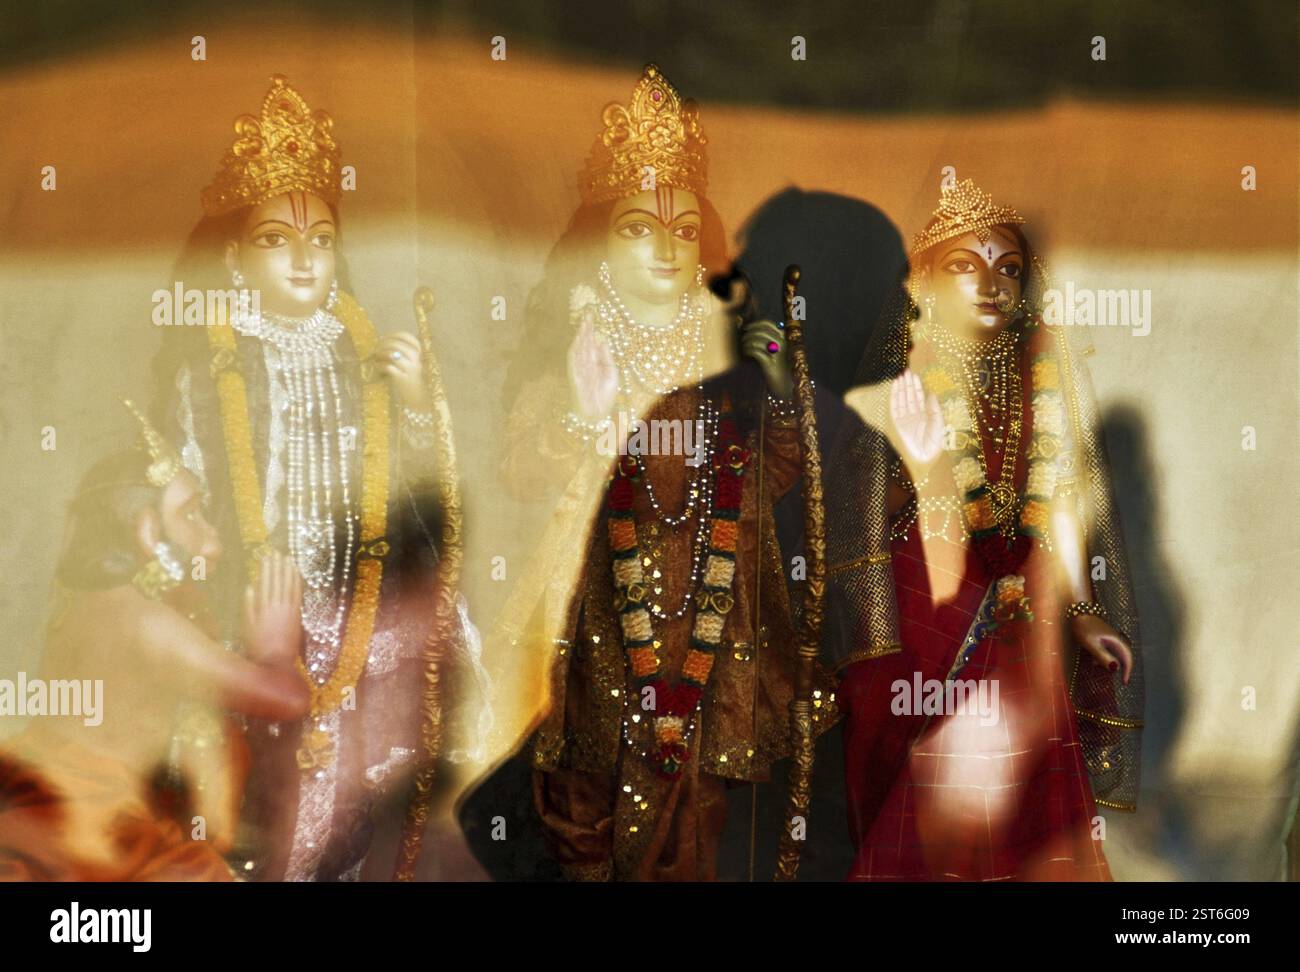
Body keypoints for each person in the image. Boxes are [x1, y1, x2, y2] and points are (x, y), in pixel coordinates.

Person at [149, 75, 487, 881]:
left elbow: (425, 491)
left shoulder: (369, 352)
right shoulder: (206, 369)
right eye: (276, 240)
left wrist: (416, 402)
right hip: (256, 603)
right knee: (261, 808)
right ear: (234, 257)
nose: (303, 258)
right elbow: (178, 485)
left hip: (369, 607)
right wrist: (182, 535)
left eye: (321, 238)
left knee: (383, 798)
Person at [524, 65, 836, 881]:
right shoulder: (572, 347)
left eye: (681, 225)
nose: (666, 246)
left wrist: (778, 378)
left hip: (714, 609)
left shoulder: (731, 344)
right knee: (584, 792)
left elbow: (778, 462)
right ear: (597, 241)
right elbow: (522, 471)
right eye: (638, 227)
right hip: (595, 612)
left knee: (697, 805)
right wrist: (586, 416)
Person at [840, 178, 1145, 880]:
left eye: (1008, 268)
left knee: (1025, 780)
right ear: (920, 283)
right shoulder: (899, 380)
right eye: (964, 266)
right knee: (930, 786)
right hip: (922, 613)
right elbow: (857, 525)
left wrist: (1078, 613)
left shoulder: (1042, 381)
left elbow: (1055, 511)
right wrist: (919, 464)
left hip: (1020, 619)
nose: (991, 284)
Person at [0, 403, 308, 881]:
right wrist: (272, 650)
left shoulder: (80, 603)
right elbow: (285, 699)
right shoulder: (146, 623)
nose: (208, 530)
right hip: (99, 827)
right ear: (147, 530)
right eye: (190, 513)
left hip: (33, 799)